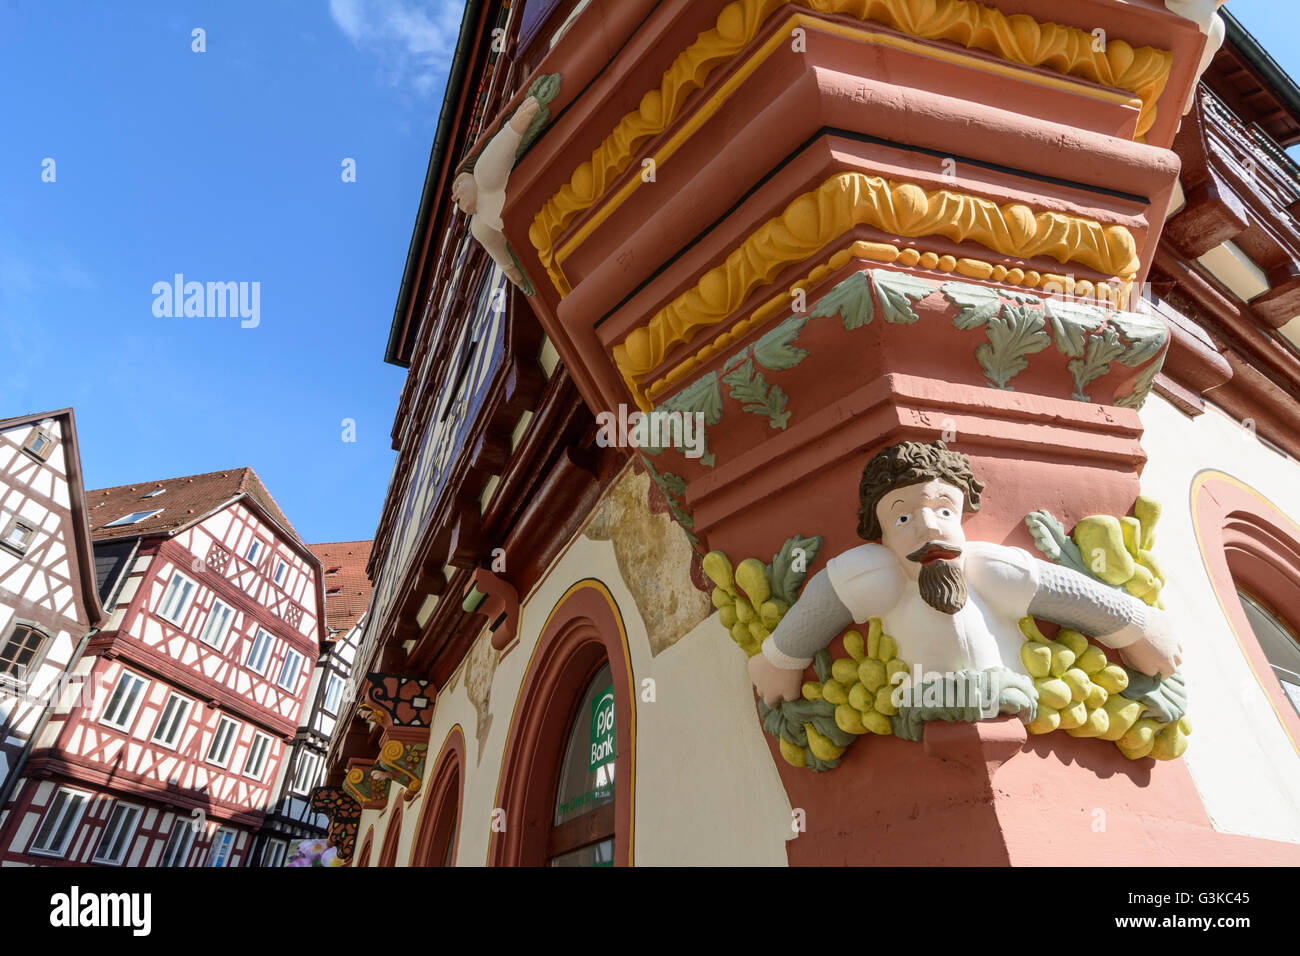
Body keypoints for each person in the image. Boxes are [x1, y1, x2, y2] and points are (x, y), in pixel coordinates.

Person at [747, 441, 1182, 707]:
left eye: (943, 511)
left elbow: (1065, 592)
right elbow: (823, 599)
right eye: (902, 519)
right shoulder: (876, 574)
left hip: (1008, 692)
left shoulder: (991, 569)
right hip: (919, 703)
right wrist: (780, 660)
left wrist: (1138, 627)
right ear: (882, 537)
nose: (928, 528)